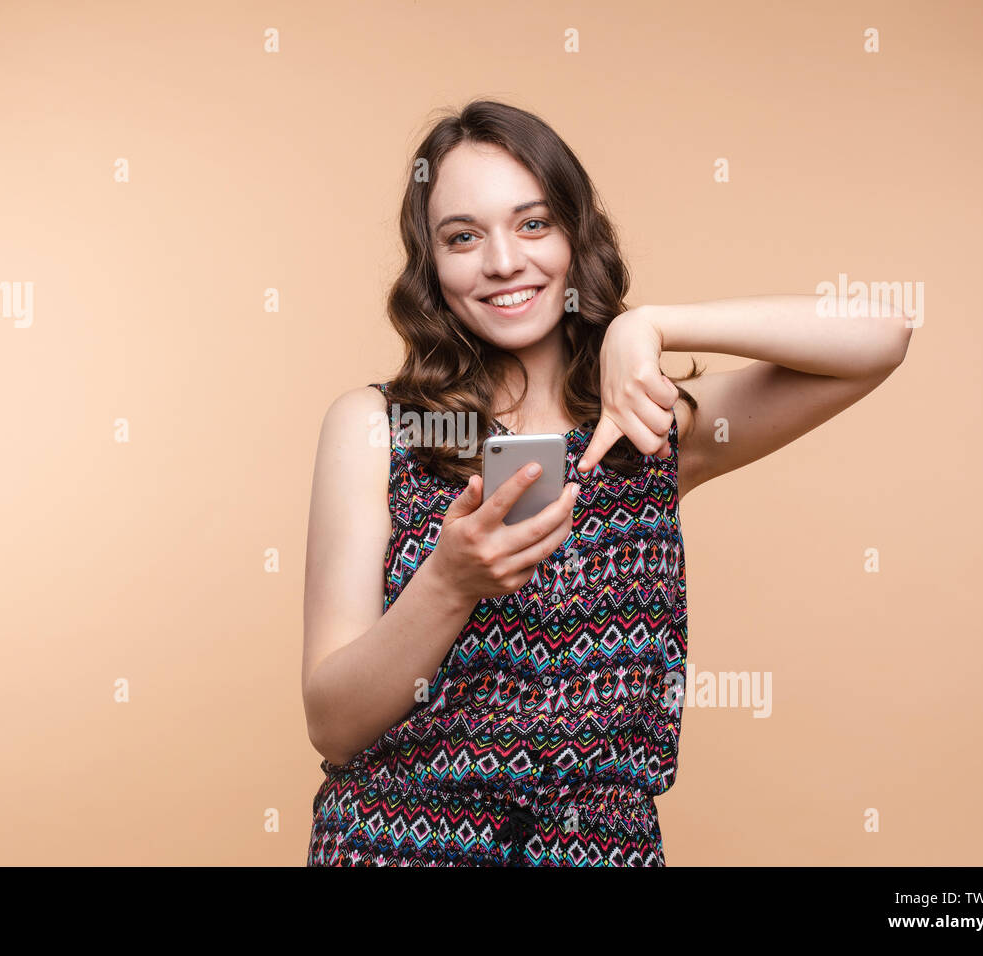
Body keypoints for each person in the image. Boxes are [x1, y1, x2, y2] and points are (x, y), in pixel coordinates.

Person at [301, 99, 912, 866]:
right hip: (397, 844)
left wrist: (648, 326)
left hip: (597, 849)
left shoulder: (650, 425)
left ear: (573, 236)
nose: (501, 262)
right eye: (463, 237)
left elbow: (882, 336)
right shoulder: (375, 429)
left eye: (532, 224)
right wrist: (448, 585)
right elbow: (332, 722)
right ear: (432, 265)